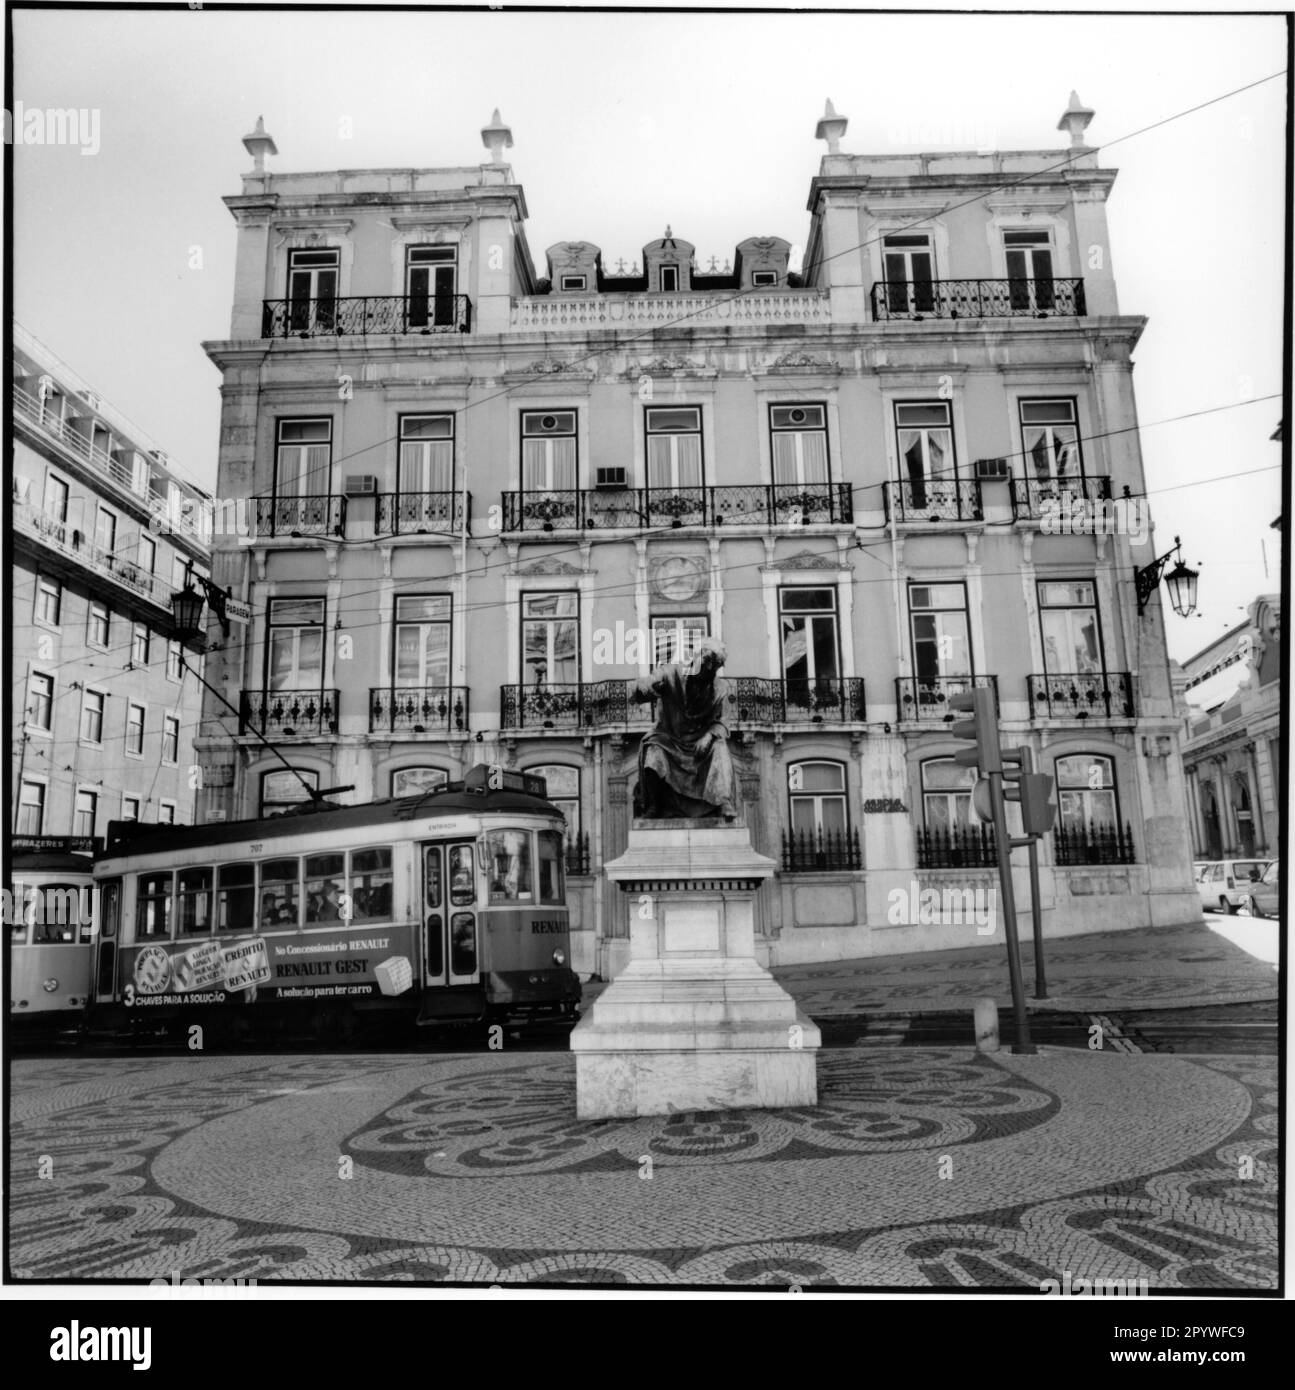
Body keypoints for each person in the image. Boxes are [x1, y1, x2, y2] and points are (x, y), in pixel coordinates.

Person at [633, 636, 736, 820]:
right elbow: (643, 686)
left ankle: (723, 801)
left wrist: (709, 736)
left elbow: (722, 722)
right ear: (696, 657)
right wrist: (646, 688)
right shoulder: (671, 672)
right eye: (707, 662)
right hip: (669, 738)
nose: (710, 669)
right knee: (653, 749)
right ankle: (654, 806)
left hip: (699, 744)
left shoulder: (720, 689)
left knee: (720, 748)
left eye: (716, 665)